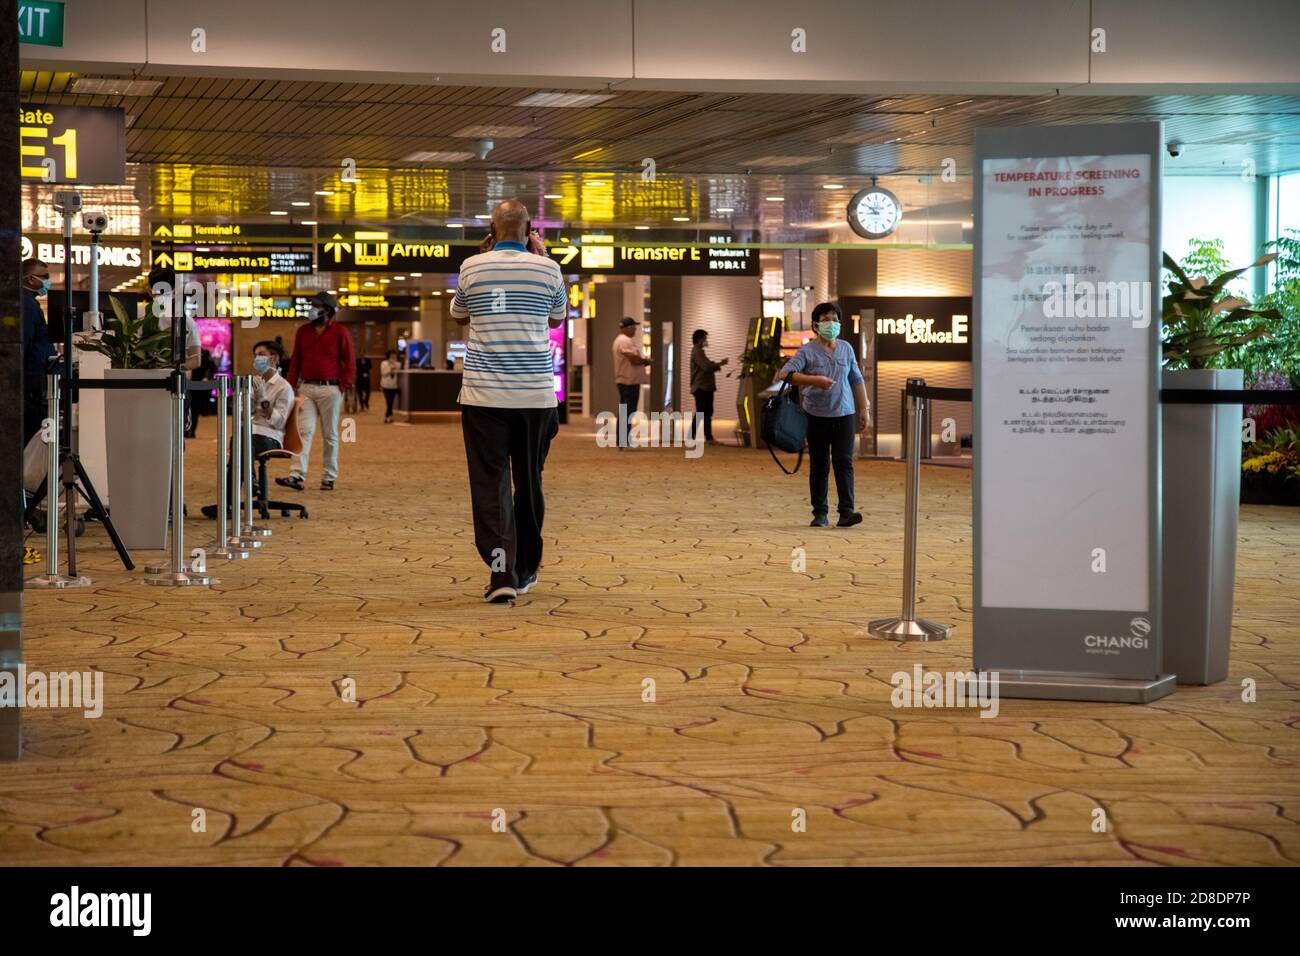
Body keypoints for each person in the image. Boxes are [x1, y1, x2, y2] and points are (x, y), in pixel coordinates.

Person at [452, 198, 566, 604]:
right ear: (532, 229)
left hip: (484, 396)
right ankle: (527, 568)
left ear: (491, 229)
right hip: (536, 396)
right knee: (529, 482)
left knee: (491, 482)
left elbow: (460, 314)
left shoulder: (471, 266)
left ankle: (502, 572)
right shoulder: (550, 268)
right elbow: (555, 319)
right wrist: (544, 258)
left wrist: (483, 260)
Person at [775, 302, 868, 528]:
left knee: (844, 463)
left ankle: (846, 512)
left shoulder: (846, 348)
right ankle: (820, 513)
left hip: (845, 413)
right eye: (826, 320)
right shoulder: (807, 351)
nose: (832, 324)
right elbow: (784, 374)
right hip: (815, 415)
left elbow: (856, 379)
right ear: (816, 325)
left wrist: (864, 408)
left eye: (835, 320)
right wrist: (813, 380)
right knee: (819, 464)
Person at [201, 340, 294, 519]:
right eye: (255, 355)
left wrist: (263, 400)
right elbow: (243, 414)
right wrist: (245, 399)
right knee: (239, 439)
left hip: (269, 436)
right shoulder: (255, 383)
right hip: (250, 433)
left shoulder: (284, 387)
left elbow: (278, 421)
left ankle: (228, 503)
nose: (256, 359)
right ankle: (247, 482)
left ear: (273, 358)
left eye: (260, 355)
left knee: (240, 441)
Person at [280, 291, 353, 491]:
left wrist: (343, 386)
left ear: (327, 310)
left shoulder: (340, 332)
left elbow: (349, 361)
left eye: (316, 305)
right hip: (307, 388)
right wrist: (290, 386)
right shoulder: (303, 331)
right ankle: (296, 475)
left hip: (331, 388)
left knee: (330, 434)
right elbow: (296, 361)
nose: (311, 309)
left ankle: (329, 476)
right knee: (304, 431)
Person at [20, 258, 57, 447]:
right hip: (30, 386)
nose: (48, 281)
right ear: (29, 279)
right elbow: (22, 343)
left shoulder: (29, 303)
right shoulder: (27, 305)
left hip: (33, 384)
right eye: (44, 277)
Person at [612, 316, 651, 448]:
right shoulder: (624, 341)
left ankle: (624, 439)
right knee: (628, 410)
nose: (635, 329)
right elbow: (633, 359)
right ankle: (623, 440)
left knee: (626, 410)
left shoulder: (622, 340)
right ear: (628, 328)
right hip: (628, 381)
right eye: (634, 327)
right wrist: (645, 361)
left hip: (627, 380)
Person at [689, 328, 727, 443]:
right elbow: (706, 367)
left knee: (706, 412)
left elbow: (706, 365)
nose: (706, 341)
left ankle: (706, 436)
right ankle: (698, 436)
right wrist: (720, 364)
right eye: (704, 338)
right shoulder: (698, 352)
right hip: (702, 387)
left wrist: (716, 364)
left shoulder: (698, 352)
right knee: (702, 411)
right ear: (699, 339)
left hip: (704, 386)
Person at [380, 349, 400, 423]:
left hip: (394, 386)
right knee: (388, 401)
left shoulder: (398, 364)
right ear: (388, 356)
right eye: (392, 355)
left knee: (391, 402)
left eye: (394, 355)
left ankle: (389, 416)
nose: (393, 357)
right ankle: (387, 416)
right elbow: (383, 373)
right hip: (386, 385)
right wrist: (390, 369)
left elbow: (399, 372)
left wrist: (394, 365)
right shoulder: (384, 363)